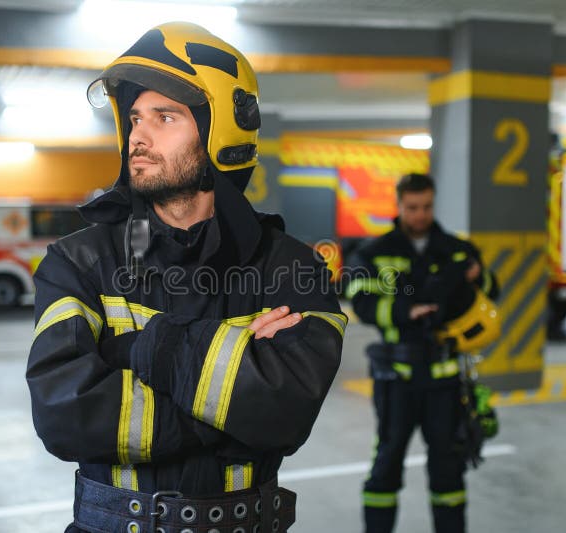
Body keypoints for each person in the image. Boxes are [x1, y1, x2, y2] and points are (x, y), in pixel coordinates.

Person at [26, 22, 346, 533]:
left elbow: (285, 414)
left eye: (165, 117)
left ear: (223, 129)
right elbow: (65, 415)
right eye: (134, 118)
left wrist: (140, 348)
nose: (139, 136)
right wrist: (236, 398)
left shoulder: (293, 267)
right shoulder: (77, 261)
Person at [346, 173, 499, 533]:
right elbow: (362, 302)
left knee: (448, 470)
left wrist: (478, 276)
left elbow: (494, 290)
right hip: (396, 379)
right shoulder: (375, 252)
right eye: (412, 208)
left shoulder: (457, 249)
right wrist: (405, 311)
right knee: (386, 464)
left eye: (427, 207)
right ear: (399, 206)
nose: (420, 215)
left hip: (446, 380)